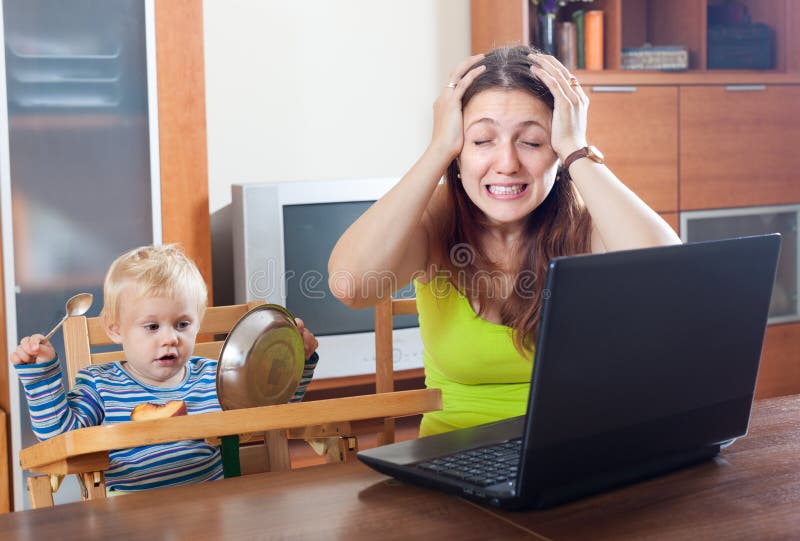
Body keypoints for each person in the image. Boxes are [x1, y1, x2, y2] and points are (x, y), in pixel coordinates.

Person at [328, 46, 680, 437]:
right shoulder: (437, 219)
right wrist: (436, 151)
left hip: (576, 450)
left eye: (532, 141)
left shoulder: (587, 220)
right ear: (458, 150)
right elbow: (351, 285)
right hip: (455, 457)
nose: (508, 163)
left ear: (556, 152)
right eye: (481, 141)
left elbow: (669, 282)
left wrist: (578, 151)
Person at [11, 244, 320, 494]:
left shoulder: (216, 379)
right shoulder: (100, 386)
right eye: (152, 326)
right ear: (116, 329)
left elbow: (272, 409)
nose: (170, 338)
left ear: (197, 324)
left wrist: (296, 359)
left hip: (212, 509)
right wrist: (42, 373)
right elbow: (58, 438)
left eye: (182, 324)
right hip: (128, 519)